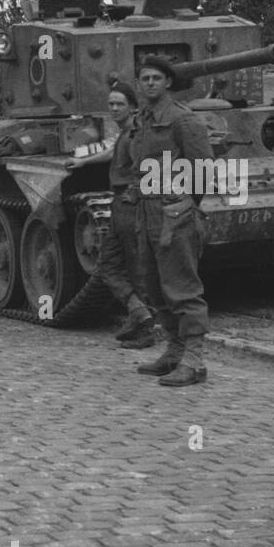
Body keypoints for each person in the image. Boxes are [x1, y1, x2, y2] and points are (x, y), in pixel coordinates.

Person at [128, 55, 213, 387]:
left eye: (156, 78)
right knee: (153, 286)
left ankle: (194, 361)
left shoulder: (182, 120)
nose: (150, 83)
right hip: (145, 210)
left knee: (182, 287)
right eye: (145, 78)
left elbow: (203, 168)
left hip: (173, 213)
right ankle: (174, 352)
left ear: (168, 83)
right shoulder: (142, 120)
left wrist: (186, 206)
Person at [98, 80, 156, 349]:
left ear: (132, 107)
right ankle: (138, 313)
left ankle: (144, 327)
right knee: (109, 265)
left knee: (135, 269)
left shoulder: (135, 133)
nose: (114, 108)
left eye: (120, 104)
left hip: (130, 204)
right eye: (111, 104)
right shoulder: (127, 131)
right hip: (122, 204)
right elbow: (113, 153)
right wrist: (83, 161)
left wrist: (134, 194)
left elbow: (143, 166)